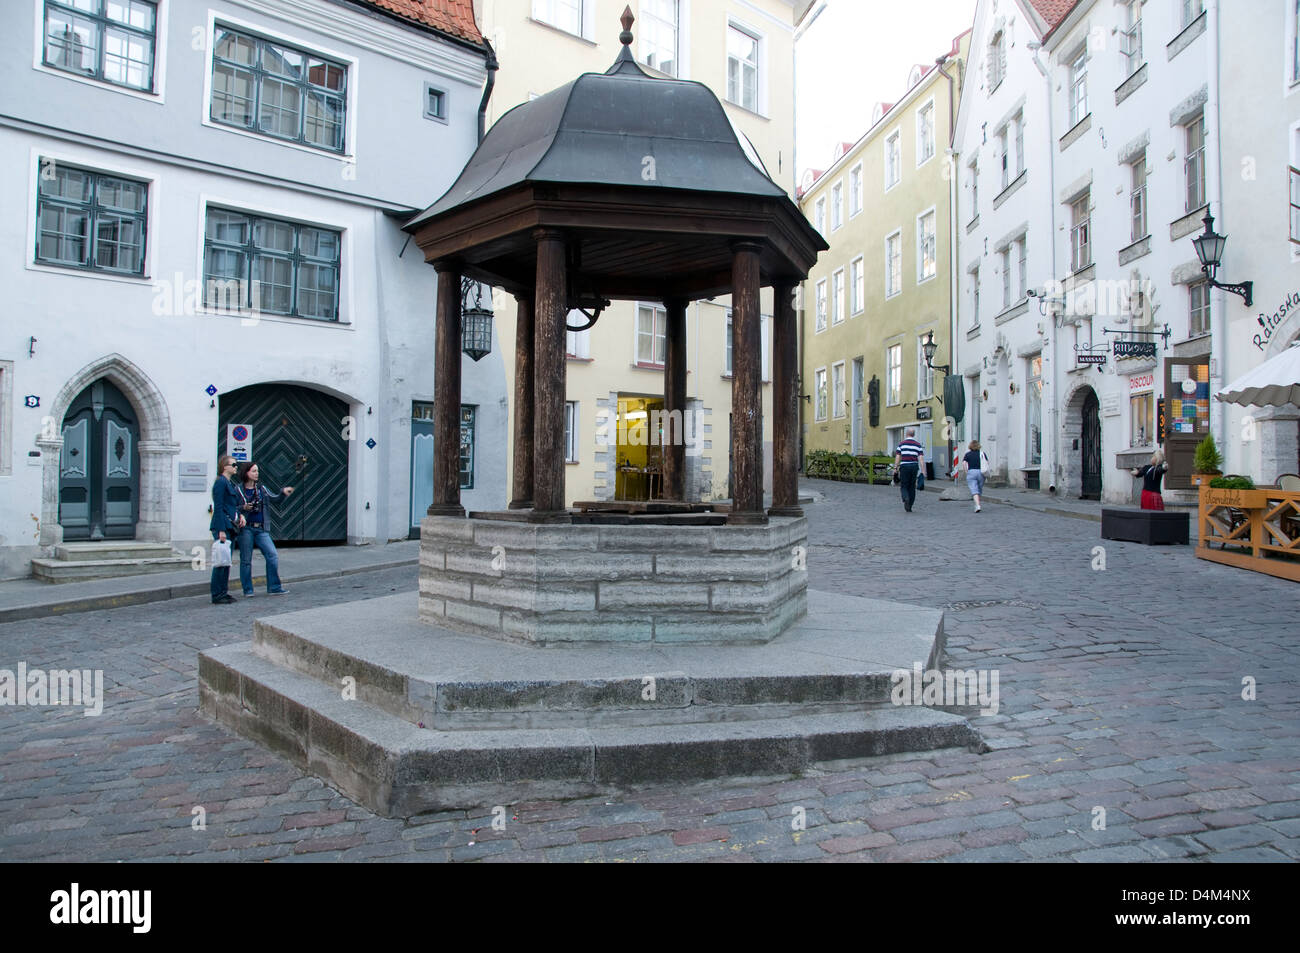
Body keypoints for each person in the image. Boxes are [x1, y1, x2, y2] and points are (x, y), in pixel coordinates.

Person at [234, 461, 294, 596]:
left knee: (272, 555)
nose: (257, 474)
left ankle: (274, 587)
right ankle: (248, 590)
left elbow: (275, 499)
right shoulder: (238, 490)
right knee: (246, 560)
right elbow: (232, 507)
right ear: (246, 473)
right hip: (246, 529)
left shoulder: (262, 489)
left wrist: (283, 493)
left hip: (261, 528)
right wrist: (243, 508)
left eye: (257, 471)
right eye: (254, 471)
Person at [209, 455, 244, 604]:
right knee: (221, 562)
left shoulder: (228, 482)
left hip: (230, 526)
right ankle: (217, 594)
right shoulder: (221, 482)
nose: (236, 467)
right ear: (225, 467)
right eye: (233, 465)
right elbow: (218, 507)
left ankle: (223, 591)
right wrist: (221, 530)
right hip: (223, 526)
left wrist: (240, 515)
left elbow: (231, 505)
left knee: (226, 561)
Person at [894, 428, 925, 512]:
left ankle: (906, 497)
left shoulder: (901, 444)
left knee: (904, 485)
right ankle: (910, 505)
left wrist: (895, 468)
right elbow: (921, 459)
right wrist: (923, 471)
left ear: (906, 434)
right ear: (913, 435)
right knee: (912, 486)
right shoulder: (918, 445)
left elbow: (898, 457)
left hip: (904, 466)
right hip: (914, 466)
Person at [960, 440, 990, 513]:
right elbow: (987, 462)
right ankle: (977, 503)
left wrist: (966, 471)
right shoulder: (982, 453)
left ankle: (977, 505)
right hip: (981, 472)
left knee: (974, 489)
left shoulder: (968, 454)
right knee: (979, 489)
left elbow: (964, 463)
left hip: (971, 472)